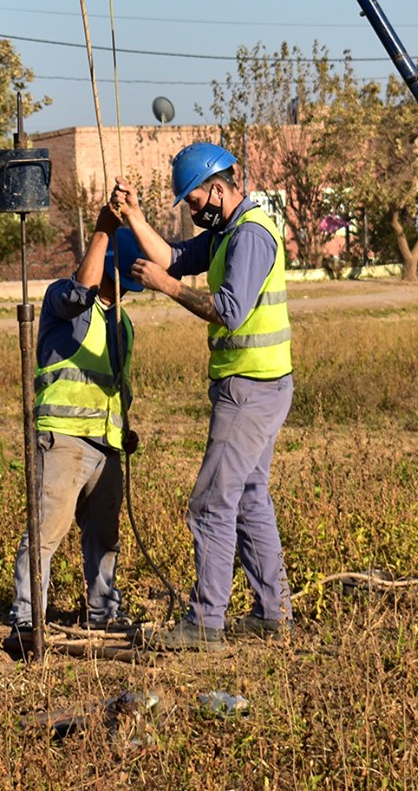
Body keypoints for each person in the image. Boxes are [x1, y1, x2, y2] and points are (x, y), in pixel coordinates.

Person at [113, 143, 291, 652]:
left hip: (251, 388)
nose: (192, 211)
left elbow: (229, 311)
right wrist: (135, 218)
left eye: (193, 201)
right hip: (257, 384)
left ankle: (206, 623)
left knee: (212, 503)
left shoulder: (250, 236)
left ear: (218, 188)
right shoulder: (227, 232)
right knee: (251, 497)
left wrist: (167, 288)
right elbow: (171, 255)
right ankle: (272, 614)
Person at [5, 209, 141, 658]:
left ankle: (103, 611)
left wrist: (126, 430)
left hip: (106, 444)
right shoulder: (62, 299)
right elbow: (82, 289)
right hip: (62, 438)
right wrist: (105, 228)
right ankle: (28, 617)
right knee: (45, 531)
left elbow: (117, 383)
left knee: (104, 536)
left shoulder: (122, 323)